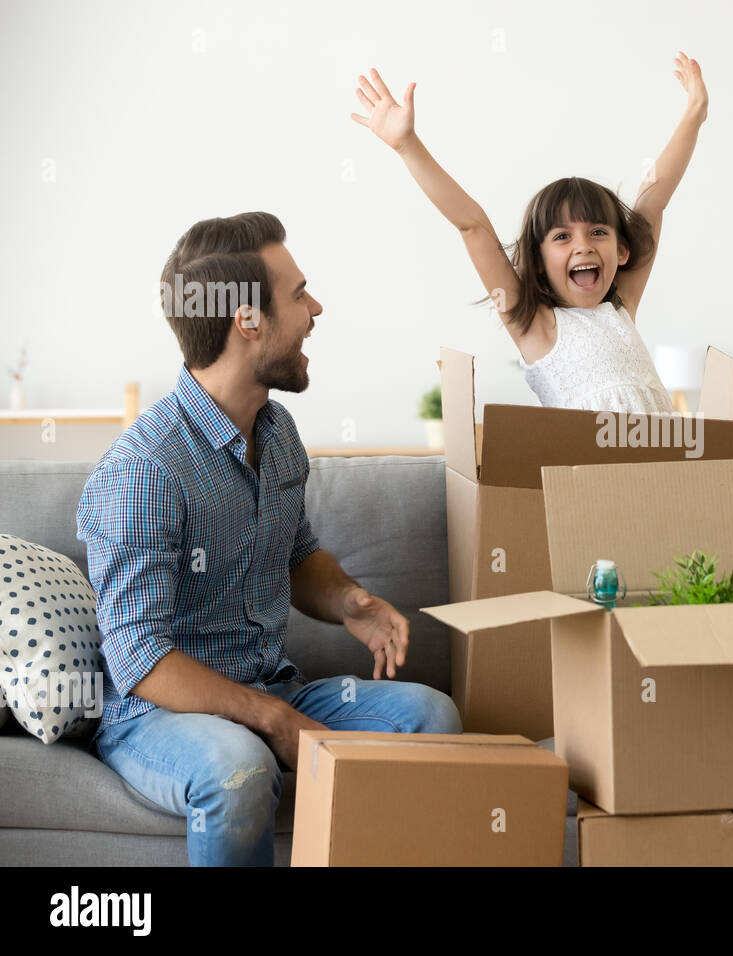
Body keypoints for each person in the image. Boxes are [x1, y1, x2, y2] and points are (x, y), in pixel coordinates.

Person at [76, 212, 462, 866]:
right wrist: (274, 721)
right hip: (158, 717)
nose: (316, 309)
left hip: (269, 684)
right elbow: (138, 657)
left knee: (430, 717)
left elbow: (296, 555)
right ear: (246, 320)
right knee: (242, 768)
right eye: (299, 294)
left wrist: (348, 603)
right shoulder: (145, 470)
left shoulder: (276, 430)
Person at [350, 54, 709, 414]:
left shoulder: (621, 309)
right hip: (595, 470)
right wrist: (406, 145)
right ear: (538, 261)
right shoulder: (534, 327)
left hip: (662, 464)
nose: (583, 246)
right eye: (563, 237)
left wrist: (694, 113)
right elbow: (472, 225)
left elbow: (652, 201)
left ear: (622, 252)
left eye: (598, 232)